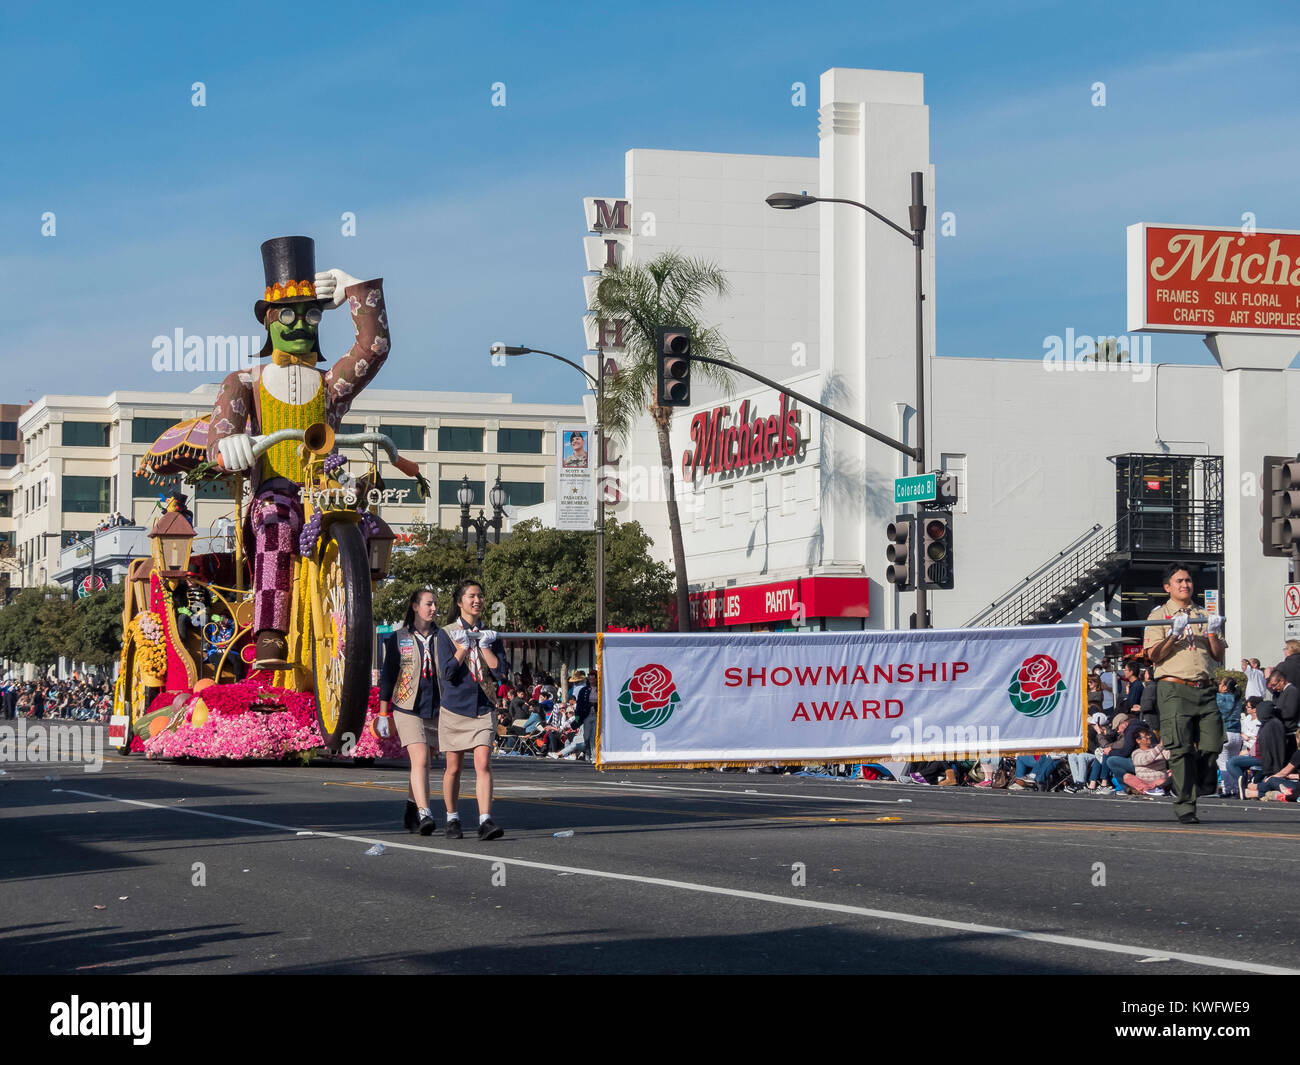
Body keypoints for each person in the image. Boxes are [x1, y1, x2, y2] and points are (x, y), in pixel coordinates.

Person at [206, 236, 393, 669]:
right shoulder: (244, 382)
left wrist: (353, 287)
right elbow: (220, 432)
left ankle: (353, 630)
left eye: (309, 314)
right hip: (276, 491)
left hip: (326, 489)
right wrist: (229, 446)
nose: (299, 324)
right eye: (287, 314)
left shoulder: (331, 386)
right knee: (276, 526)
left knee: (366, 528)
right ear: (268, 320)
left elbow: (374, 348)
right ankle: (270, 631)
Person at [1143, 563, 1226, 824]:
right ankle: (1186, 806)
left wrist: (1212, 632)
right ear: (1168, 587)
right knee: (1180, 749)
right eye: (1179, 581)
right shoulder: (1158, 616)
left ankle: (1199, 780)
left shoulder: (1203, 613)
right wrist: (1173, 635)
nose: (1185, 585)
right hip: (1174, 688)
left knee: (1213, 743)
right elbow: (1153, 655)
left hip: (1203, 687)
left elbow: (1218, 654)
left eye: (1188, 580)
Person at [436, 580, 506, 841]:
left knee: (483, 764)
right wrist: (464, 647)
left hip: (484, 705)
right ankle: (452, 817)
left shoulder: (490, 634)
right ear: (459, 602)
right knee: (453, 768)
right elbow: (448, 672)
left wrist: (484, 646)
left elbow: (500, 672)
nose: (477, 600)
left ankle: (485, 820)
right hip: (455, 707)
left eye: (480, 596)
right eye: (471, 596)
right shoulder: (447, 633)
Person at [378, 588, 442, 835]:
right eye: (428, 603)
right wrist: (383, 714)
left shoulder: (443, 637)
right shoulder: (399, 637)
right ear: (415, 606)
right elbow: (388, 676)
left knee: (424, 764)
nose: (433, 608)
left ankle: (410, 807)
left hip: (435, 707)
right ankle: (425, 814)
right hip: (407, 705)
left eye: (435, 604)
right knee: (420, 759)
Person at [1216, 677, 1243, 794]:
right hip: (1237, 734)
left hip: (1225, 733)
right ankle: (1236, 788)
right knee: (1233, 764)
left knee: (1223, 765)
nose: (1218, 685)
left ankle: (1227, 789)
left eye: (1220, 683)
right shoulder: (1238, 699)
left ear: (1225, 687)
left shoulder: (1219, 698)